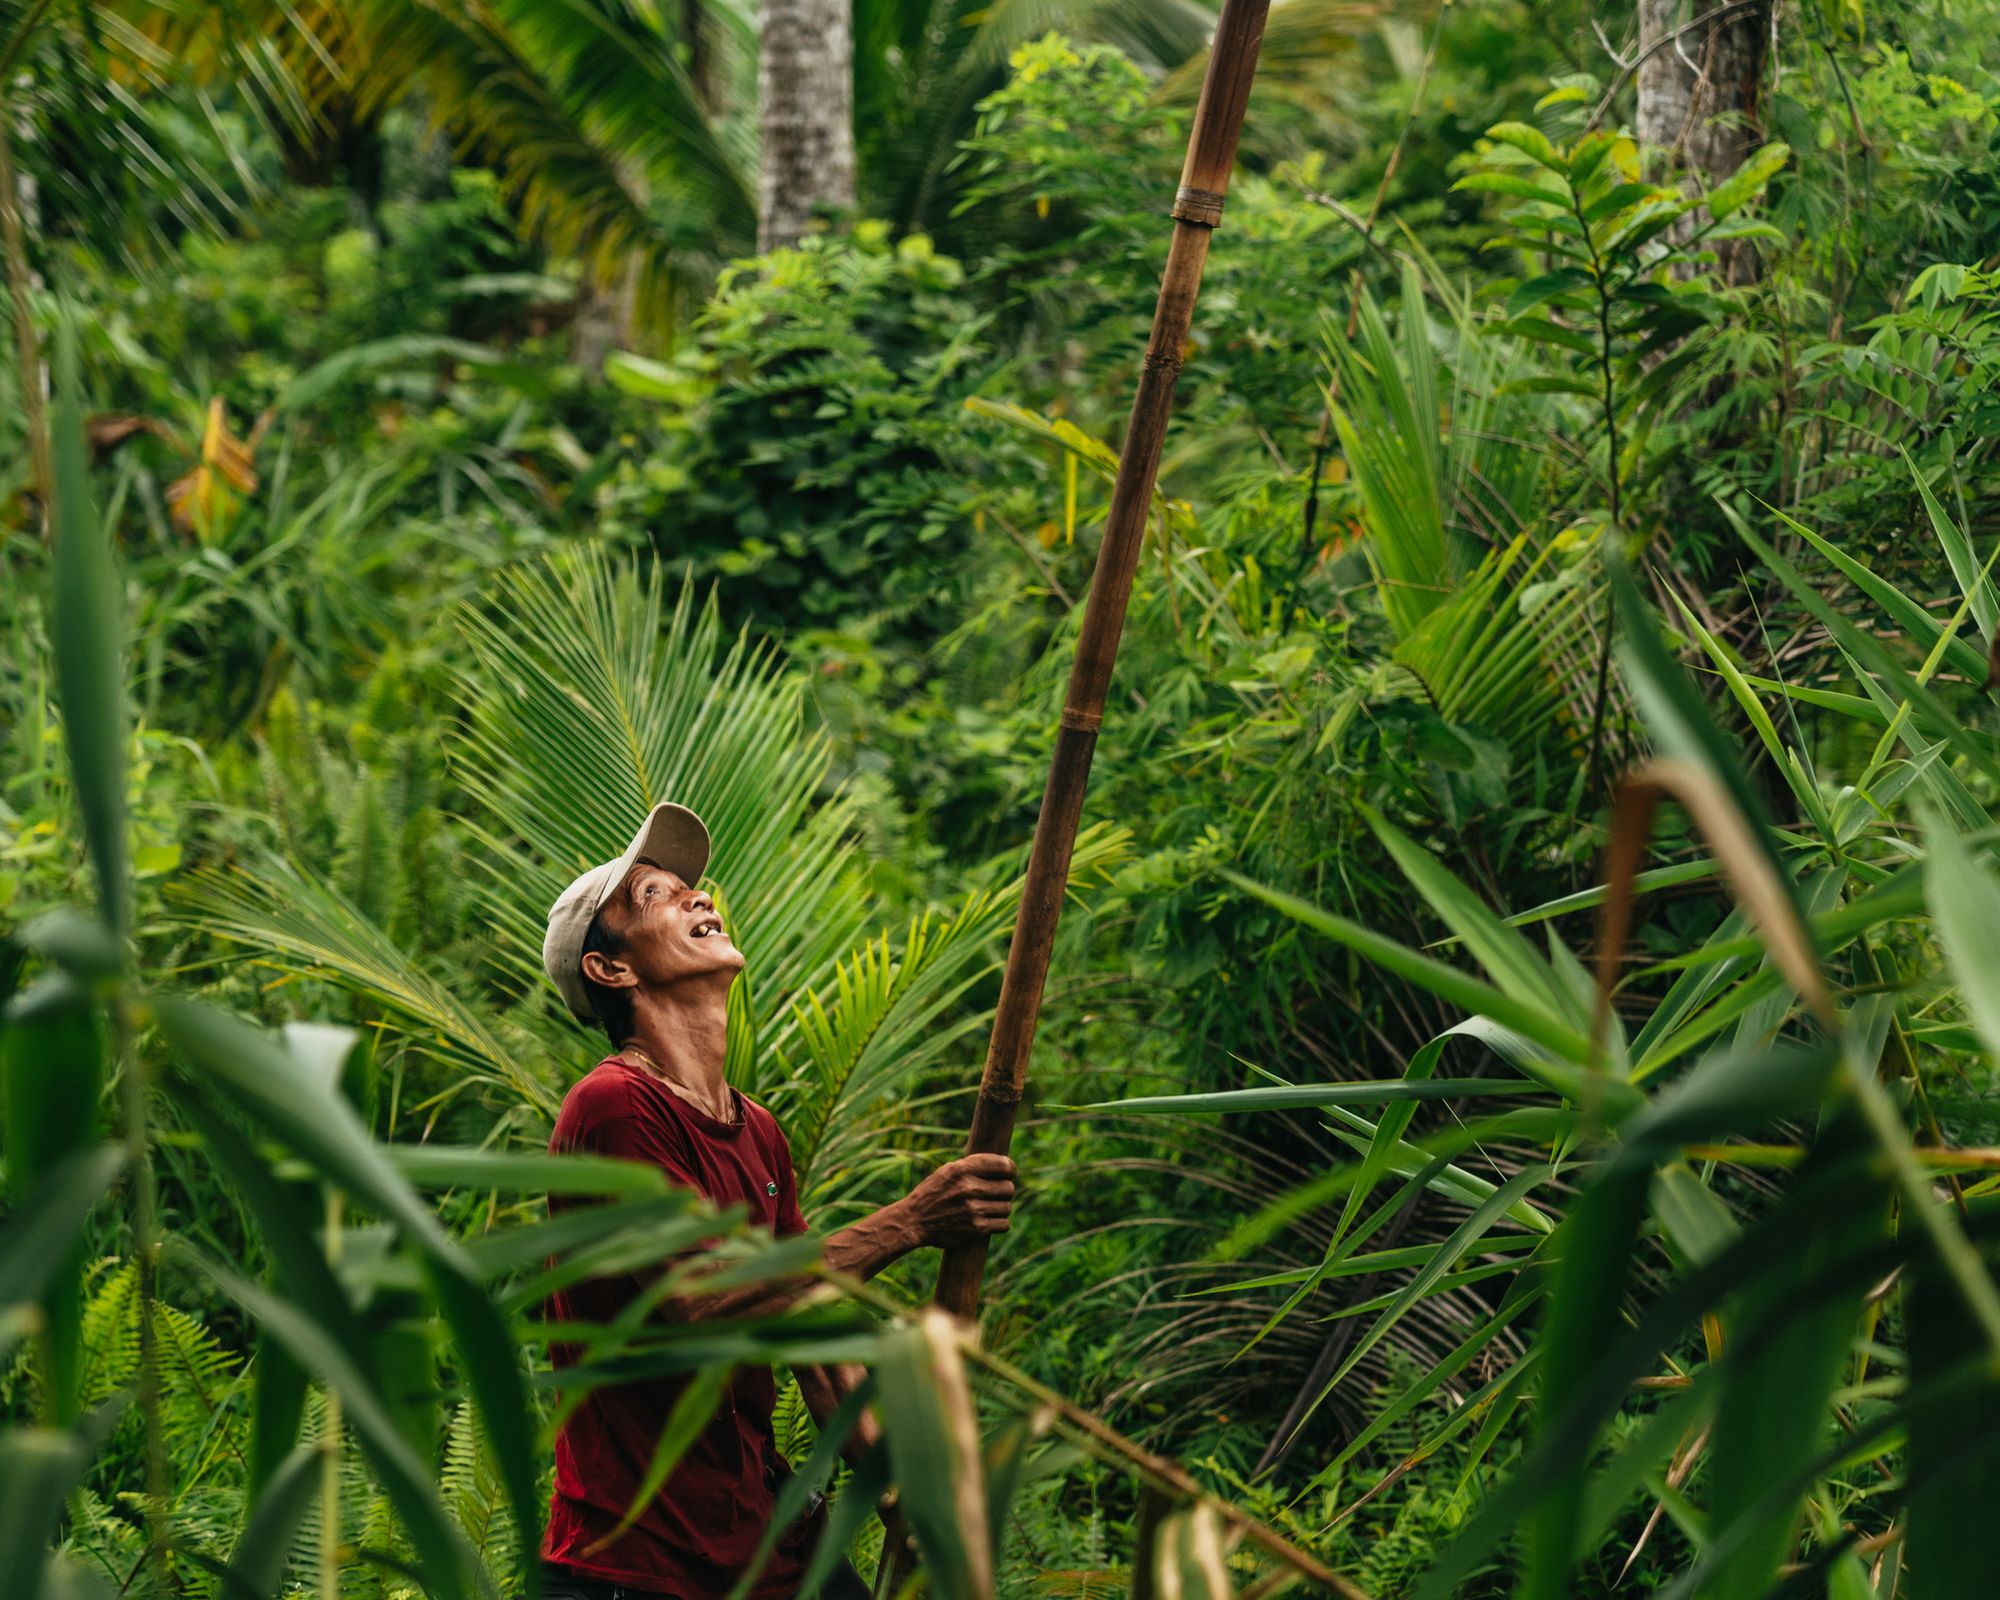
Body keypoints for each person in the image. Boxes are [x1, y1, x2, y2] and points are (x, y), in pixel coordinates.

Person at [537, 801, 1017, 1600]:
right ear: (610, 969)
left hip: (761, 1545)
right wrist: (910, 1222)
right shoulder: (613, 1107)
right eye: (653, 896)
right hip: (640, 1567)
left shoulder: (754, 1128)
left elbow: (806, 1326)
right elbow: (703, 1301)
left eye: (689, 885)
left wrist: (895, 1492)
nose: (694, 895)